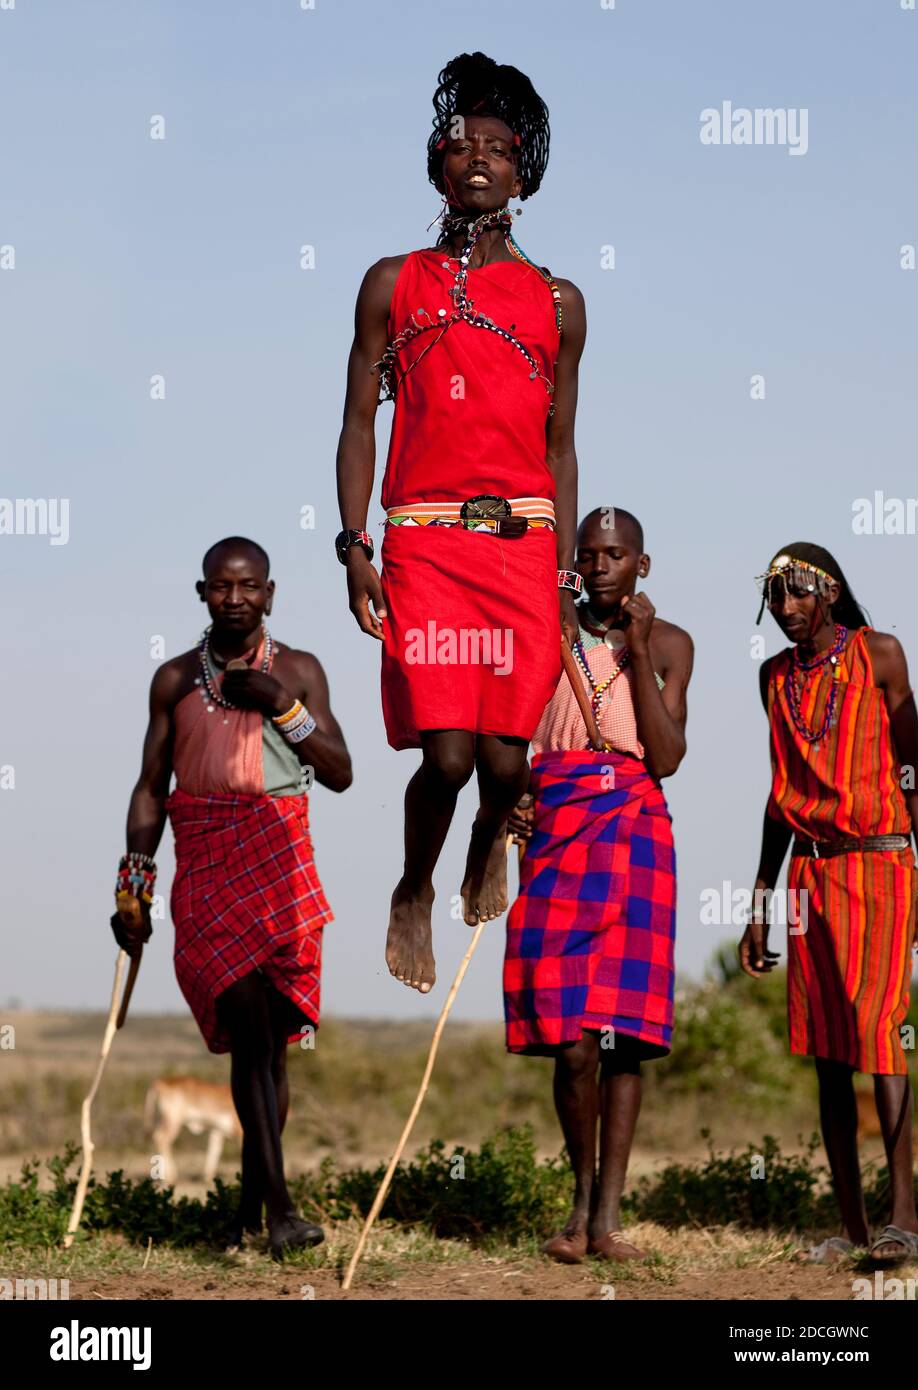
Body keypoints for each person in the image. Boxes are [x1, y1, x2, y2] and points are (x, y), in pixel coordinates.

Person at [335, 50, 586, 994]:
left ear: (523, 171)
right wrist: (356, 546)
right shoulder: (390, 282)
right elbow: (359, 423)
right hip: (427, 545)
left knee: (507, 761)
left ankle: (491, 836)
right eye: (458, 145)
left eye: (497, 147)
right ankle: (412, 887)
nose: (476, 158)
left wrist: (562, 573)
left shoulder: (560, 303)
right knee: (445, 753)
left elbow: (560, 449)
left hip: (522, 543)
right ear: (437, 167)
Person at [111, 537, 352, 1259]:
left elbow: (339, 772)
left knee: (271, 1052)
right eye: (221, 586)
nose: (235, 598)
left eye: (248, 586)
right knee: (248, 1033)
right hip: (209, 863)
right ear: (202, 593)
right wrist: (133, 890)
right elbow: (152, 788)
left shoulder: (299, 672)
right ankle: (280, 1211)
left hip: (282, 860)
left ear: (270, 593)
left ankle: (247, 1215)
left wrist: (284, 707)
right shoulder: (176, 680)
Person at [505, 507, 693, 1262]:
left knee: (623, 1039)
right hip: (556, 825)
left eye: (614, 555)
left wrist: (639, 648)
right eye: (587, 555)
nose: (598, 566)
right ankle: (577, 1203)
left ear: (641, 565)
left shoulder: (671, 643)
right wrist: (513, 797)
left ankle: (606, 1218)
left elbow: (667, 753)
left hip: (635, 829)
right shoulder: (544, 630)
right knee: (569, 1038)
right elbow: (509, 727)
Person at [739, 542, 918, 1266]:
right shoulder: (772, 678)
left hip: (880, 862)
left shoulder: (879, 655)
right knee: (825, 1050)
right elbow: (780, 798)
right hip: (809, 879)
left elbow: (914, 767)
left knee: (879, 1035)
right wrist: (758, 896)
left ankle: (903, 1219)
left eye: (799, 594)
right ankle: (849, 1228)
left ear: (831, 592)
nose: (786, 608)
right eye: (776, 595)